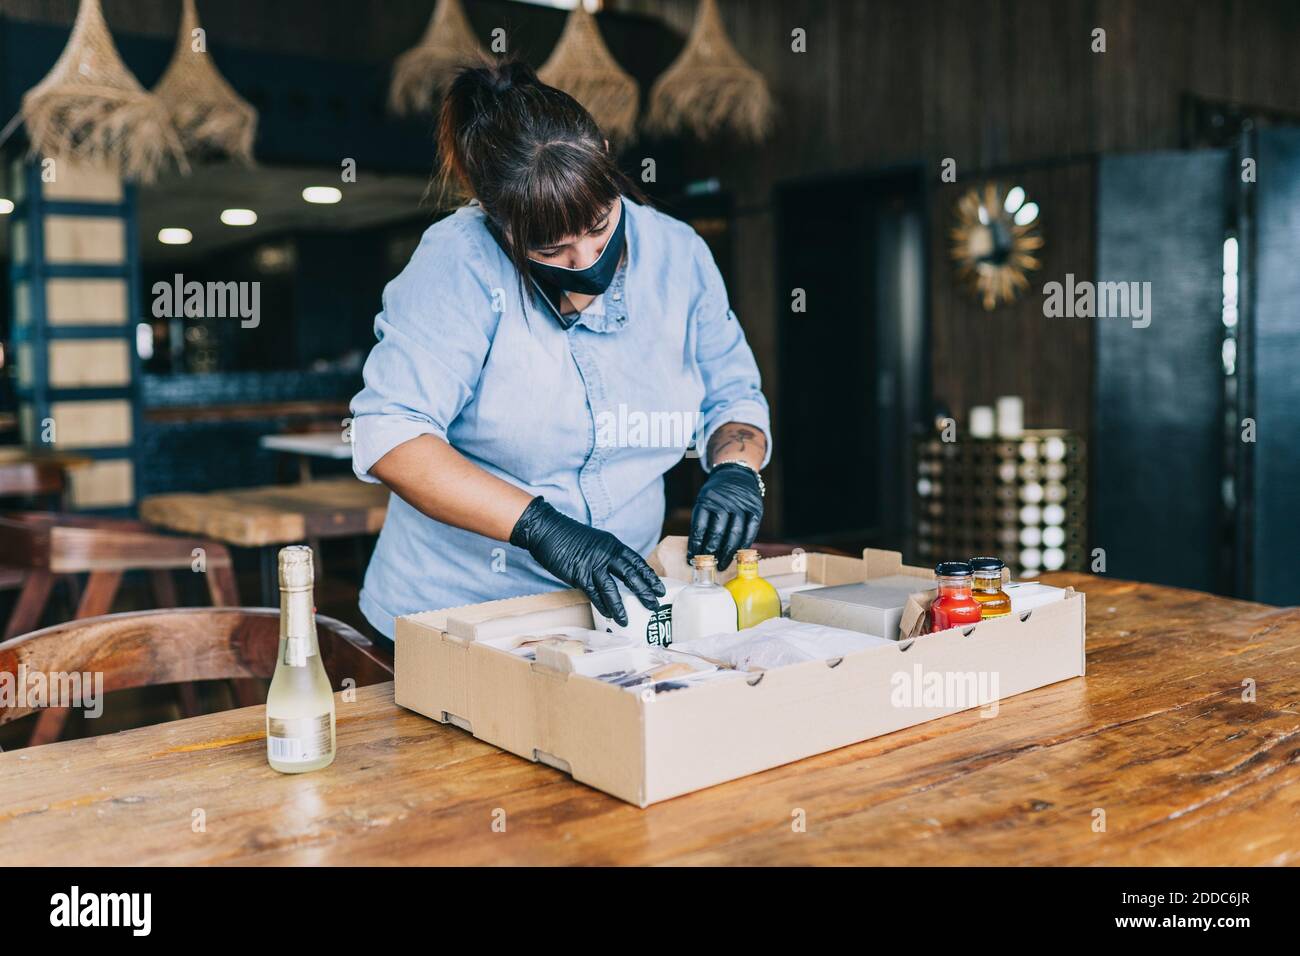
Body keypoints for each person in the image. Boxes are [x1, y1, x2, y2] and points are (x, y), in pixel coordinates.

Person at [349, 59, 771, 642]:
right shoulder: (457, 261)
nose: (586, 260)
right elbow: (392, 436)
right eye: (552, 248)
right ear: (498, 219)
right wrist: (543, 528)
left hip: (616, 614)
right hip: (456, 618)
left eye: (600, 226)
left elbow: (732, 393)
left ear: (603, 153)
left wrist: (735, 469)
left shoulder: (680, 255)